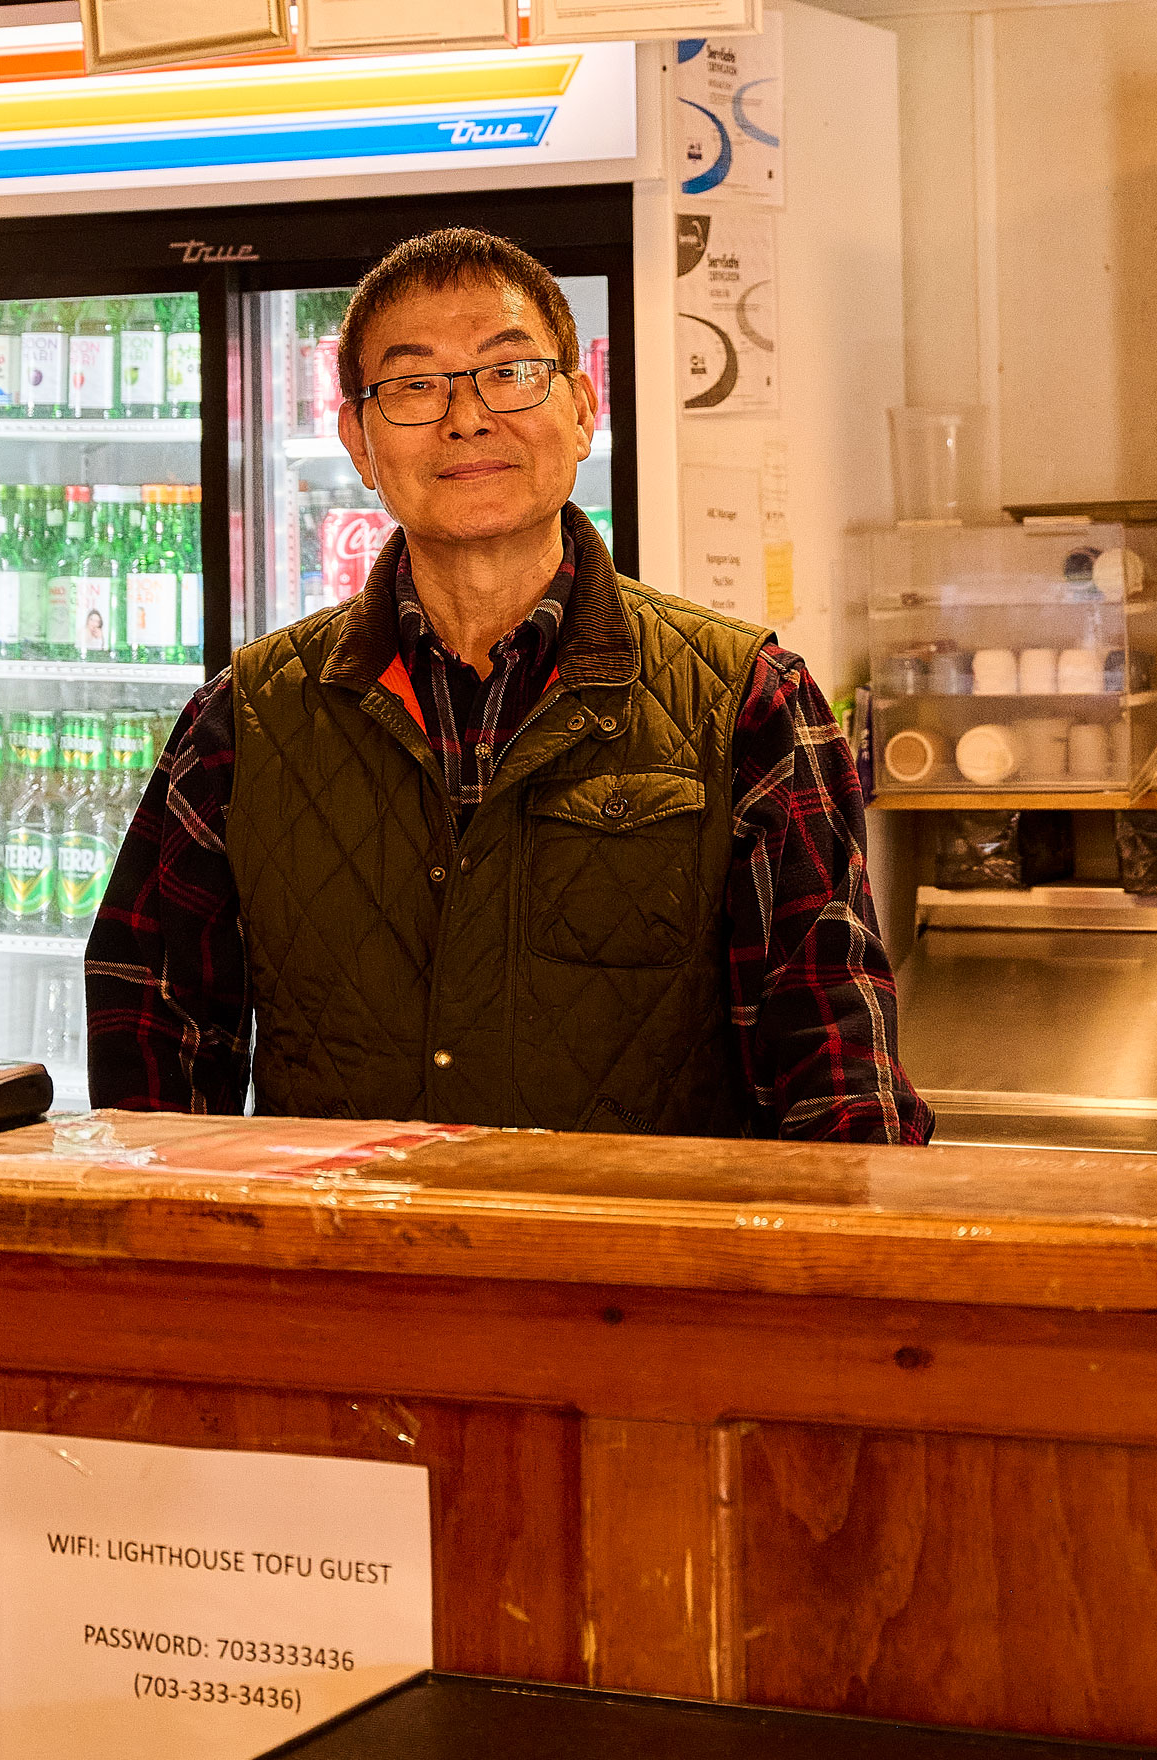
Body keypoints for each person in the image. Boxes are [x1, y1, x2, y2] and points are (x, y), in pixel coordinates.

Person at [87, 226, 928, 1142]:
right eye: (413, 384)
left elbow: (838, 1078)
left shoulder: (750, 701)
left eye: (510, 371)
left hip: (639, 1277)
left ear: (581, 408)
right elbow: (152, 1051)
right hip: (343, 1277)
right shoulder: (243, 719)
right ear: (359, 441)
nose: (468, 418)